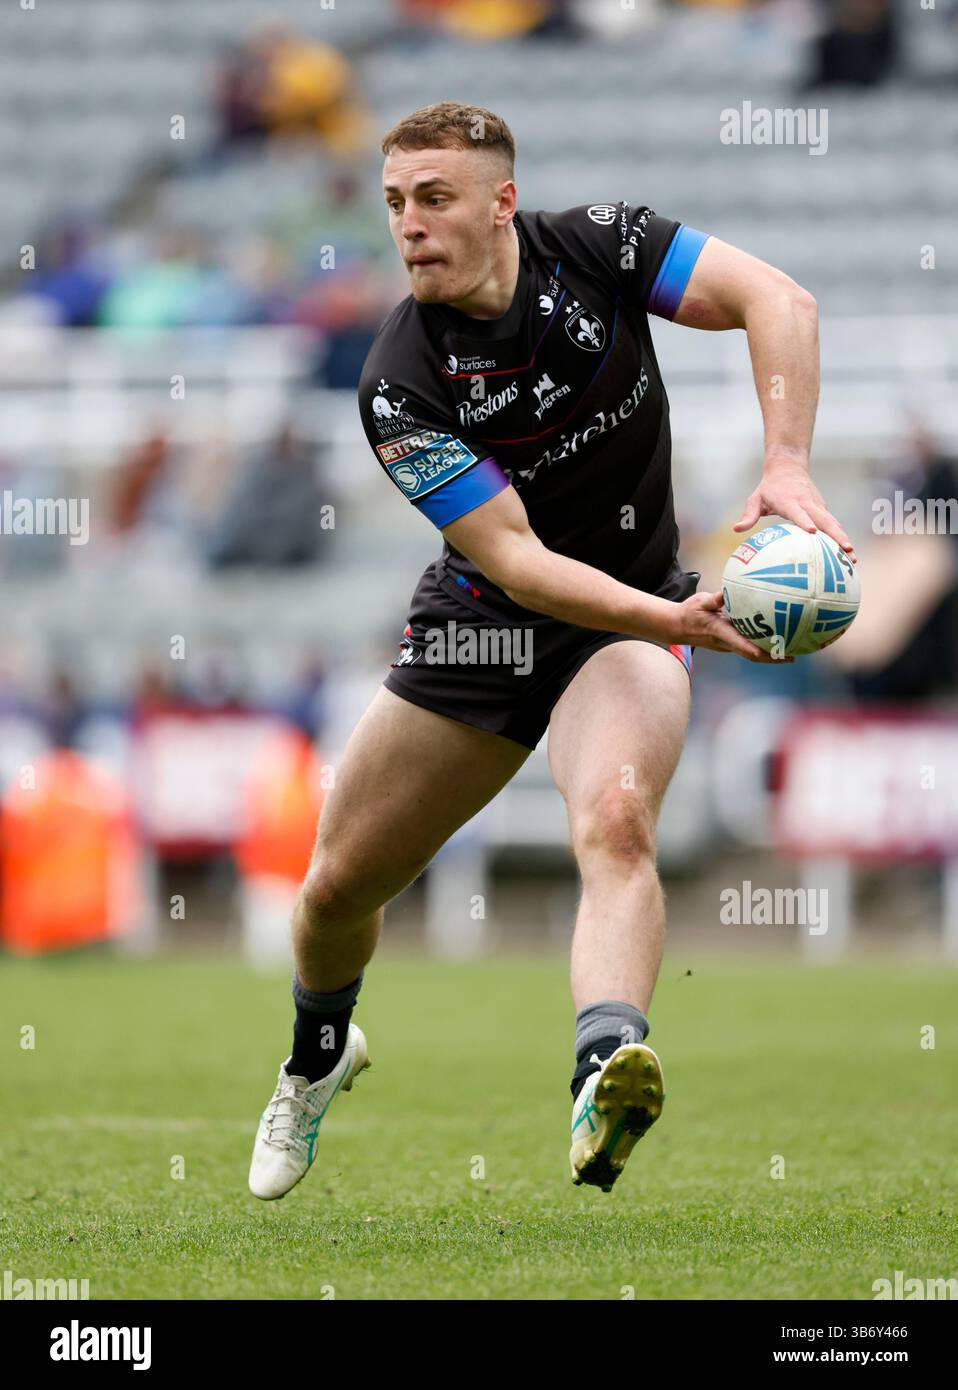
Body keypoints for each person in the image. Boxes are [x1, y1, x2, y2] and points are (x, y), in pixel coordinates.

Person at [248, 101, 856, 1200]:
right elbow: (519, 565)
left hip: (622, 627)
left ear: (500, 201)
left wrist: (789, 465)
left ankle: (602, 1064)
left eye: (433, 198)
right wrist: (673, 620)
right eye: (394, 204)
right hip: (482, 626)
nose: (410, 226)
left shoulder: (602, 247)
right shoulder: (400, 377)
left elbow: (779, 299)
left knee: (616, 818)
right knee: (336, 889)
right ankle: (316, 1053)